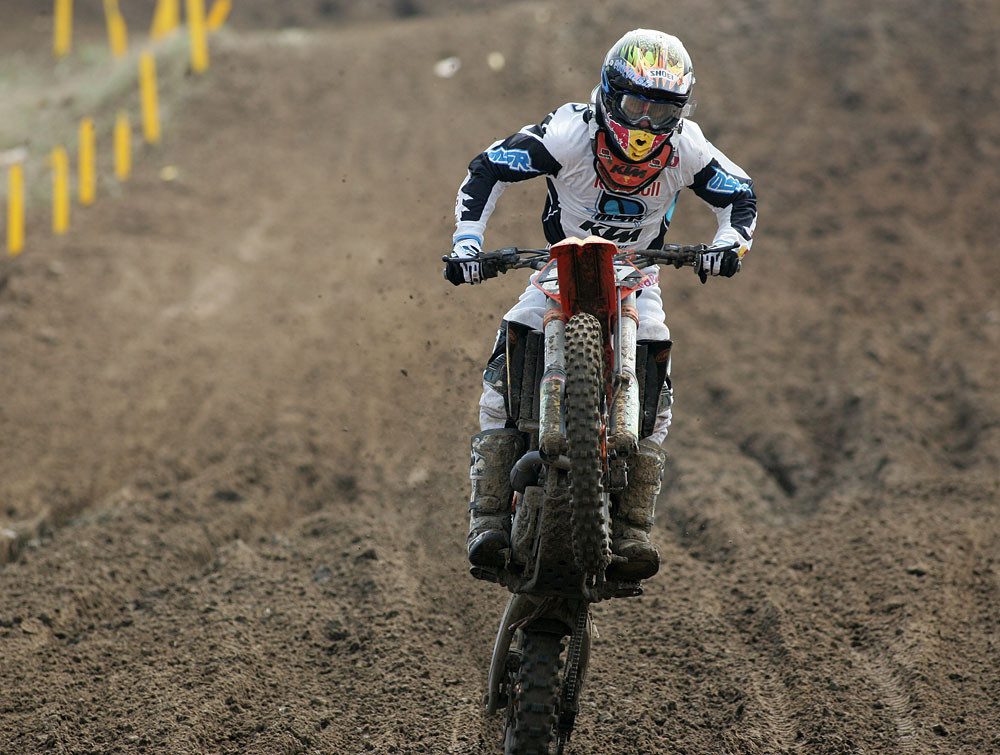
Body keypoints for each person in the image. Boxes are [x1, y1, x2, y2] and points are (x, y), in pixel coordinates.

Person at [444, 29, 757, 581]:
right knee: (504, 360)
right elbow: (488, 166)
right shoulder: (568, 133)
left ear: (681, 111)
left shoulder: (687, 148)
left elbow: (740, 195)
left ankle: (633, 526)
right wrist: (467, 244)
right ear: (610, 96)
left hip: (638, 276)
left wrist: (729, 245)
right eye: (636, 105)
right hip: (557, 268)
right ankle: (487, 518)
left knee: (658, 370)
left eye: (663, 111)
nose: (646, 123)